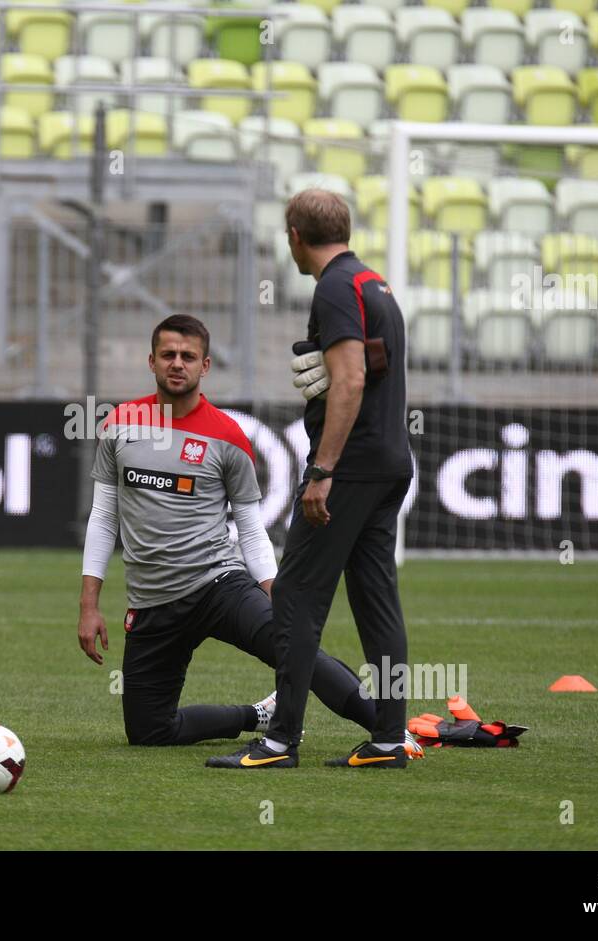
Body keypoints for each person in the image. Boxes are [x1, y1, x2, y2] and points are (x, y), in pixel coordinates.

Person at [77, 313, 381, 749]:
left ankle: (390, 730)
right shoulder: (119, 424)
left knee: (297, 650)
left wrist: (274, 593)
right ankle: (258, 715)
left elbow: (252, 530)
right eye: (168, 354)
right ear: (151, 361)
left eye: (188, 356)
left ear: (205, 366)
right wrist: (89, 605)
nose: (177, 363)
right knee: (148, 732)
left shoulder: (228, 436)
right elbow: (104, 517)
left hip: (219, 586)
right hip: (152, 603)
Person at [207, 189, 416, 770]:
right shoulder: (375, 283)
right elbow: (368, 370)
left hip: (350, 469)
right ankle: (388, 739)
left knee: (295, 597)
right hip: (390, 462)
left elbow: (349, 380)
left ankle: (279, 742)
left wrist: (322, 470)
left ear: (295, 237)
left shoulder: (335, 287)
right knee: (377, 602)